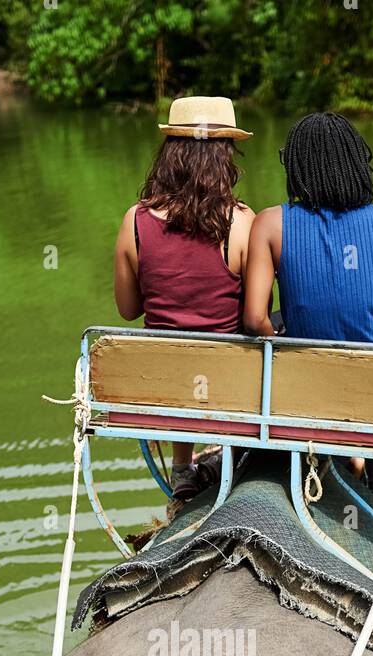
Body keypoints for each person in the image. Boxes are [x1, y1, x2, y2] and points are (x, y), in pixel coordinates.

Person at [243, 112, 373, 503]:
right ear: (356, 165)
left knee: (282, 323)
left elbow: (254, 319)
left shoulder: (269, 223)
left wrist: (276, 333)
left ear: (296, 168)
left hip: (306, 382)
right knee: (372, 339)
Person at [113, 96, 255, 501]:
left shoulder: (135, 221)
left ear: (170, 155)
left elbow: (128, 309)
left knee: (176, 342)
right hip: (227, 383)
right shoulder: (243, 223)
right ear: (225, 156)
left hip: (164, 386)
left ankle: (182, 466)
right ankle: (236, 451)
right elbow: (251, 315)